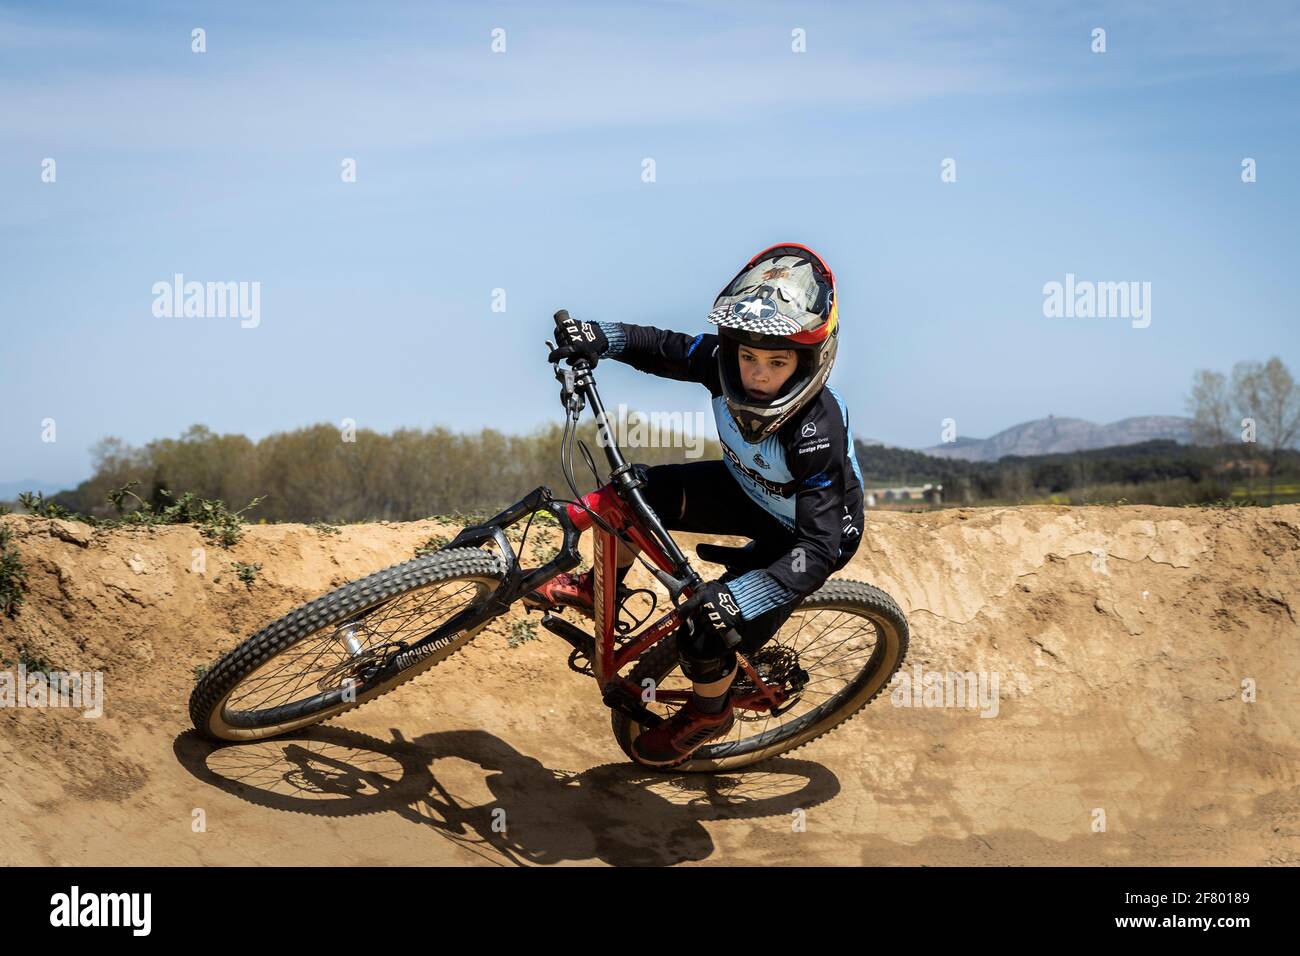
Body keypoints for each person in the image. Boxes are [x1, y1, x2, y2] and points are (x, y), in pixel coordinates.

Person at [526, 243, 865, 767]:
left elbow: (818, 549)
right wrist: (600, 337)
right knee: (631, 497)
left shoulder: (817, 429)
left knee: (705, 635)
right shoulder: (724, 362)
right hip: (747, 489)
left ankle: (710, 713)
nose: (756, 373)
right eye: (749, 357)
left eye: (777, 362)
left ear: (808, 362)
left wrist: (740, 597)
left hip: (804, 537)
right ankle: (601, 587)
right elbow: (663, 347)